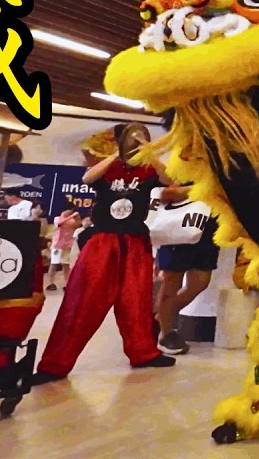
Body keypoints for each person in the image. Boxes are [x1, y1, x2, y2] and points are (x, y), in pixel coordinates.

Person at [34, 123, 185, 383]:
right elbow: (87, 179)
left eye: (143, 136)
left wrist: (149, 152)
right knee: (84, 300)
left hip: (135, 240)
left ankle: (143, 352)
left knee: (136, 300)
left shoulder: (149, 168)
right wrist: (116, 155)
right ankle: (55, 364)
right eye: (133, 137)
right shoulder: (108, 168)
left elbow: (171, 180)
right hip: (103, 239)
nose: (137, 140)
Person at [154, 205, 220, 356]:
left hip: (210, 225)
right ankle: (166, 333)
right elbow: (167, 193)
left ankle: (161, 318)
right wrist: (203, 189)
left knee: (200, 282)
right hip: (179, 223)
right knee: (172, 280)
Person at [48, 205, 81, 290]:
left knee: (66, 265)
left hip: (67, 246)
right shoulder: (57, 218)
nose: (68, 211)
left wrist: (75, 217)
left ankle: (67, 284)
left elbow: (77, 224)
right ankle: (50, 283)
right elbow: (60, 224)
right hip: (57, 246)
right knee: (54, 264)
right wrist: (70, 216)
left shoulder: (73, 220)